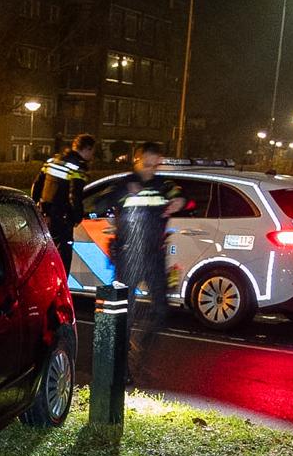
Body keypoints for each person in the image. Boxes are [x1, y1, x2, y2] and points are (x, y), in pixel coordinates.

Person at [96, 141, 184, 380]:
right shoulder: (124, 183)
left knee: (161, 310)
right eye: (147, 164)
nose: (151, 170)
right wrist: (124, 193)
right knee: (125, 311)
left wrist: (179, 202)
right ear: (137, 161)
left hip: (154, 256)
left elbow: (179, 195)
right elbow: (99, 204)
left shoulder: (162, 184)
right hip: (128, 255)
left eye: (155, 165)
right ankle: (122, 366)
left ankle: (140, 349)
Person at [32, 133, 96, 274]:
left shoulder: (53, 161)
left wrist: (34, 206)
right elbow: (75, 195)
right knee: (63, 256)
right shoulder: (78, 168)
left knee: (46, 252)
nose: (92, 156)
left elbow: (37, 185)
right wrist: (77, 217)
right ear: (87, 149)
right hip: (62, 218)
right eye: (92, 152)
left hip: (44, 215)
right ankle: (60, 287)